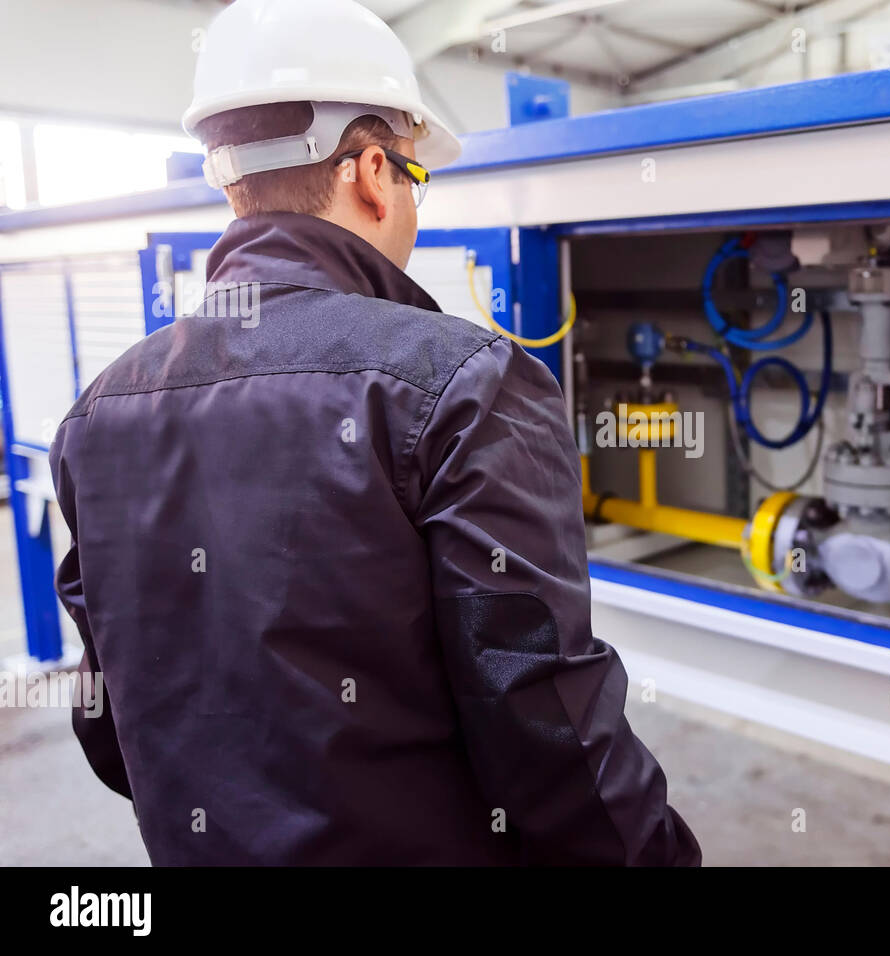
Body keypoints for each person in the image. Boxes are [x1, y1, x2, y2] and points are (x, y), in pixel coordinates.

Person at [48, 0, 700, 866]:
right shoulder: (462, 384)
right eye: (414, 179)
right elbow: (547, 723)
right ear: (368, 171)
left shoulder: (97, 413)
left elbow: (106, 722)